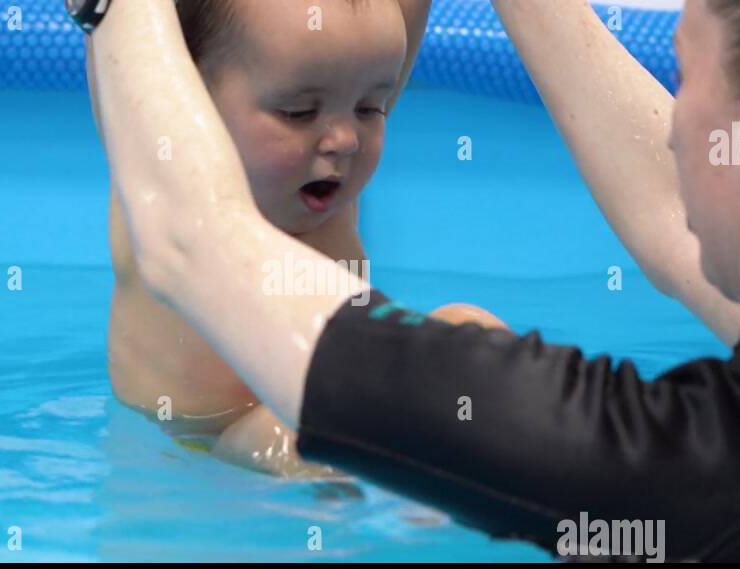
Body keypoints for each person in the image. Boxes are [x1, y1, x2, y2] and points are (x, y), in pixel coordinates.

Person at [78, 0, 740, 561]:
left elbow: (189, 237)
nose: (341, 136)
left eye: (680, 77)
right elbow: (667, 209)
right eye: (301, 110)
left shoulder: (697, 471)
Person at [88, 0, 507, 476]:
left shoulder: (330, 161)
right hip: (204, 449)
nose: (344, 139)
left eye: (370, 108)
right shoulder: (156, 168)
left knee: (476, 341)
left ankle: (432, 511)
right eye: (298, 112)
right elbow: (121, 32)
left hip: (335, 412)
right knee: (303, 432)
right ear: (188, 90)